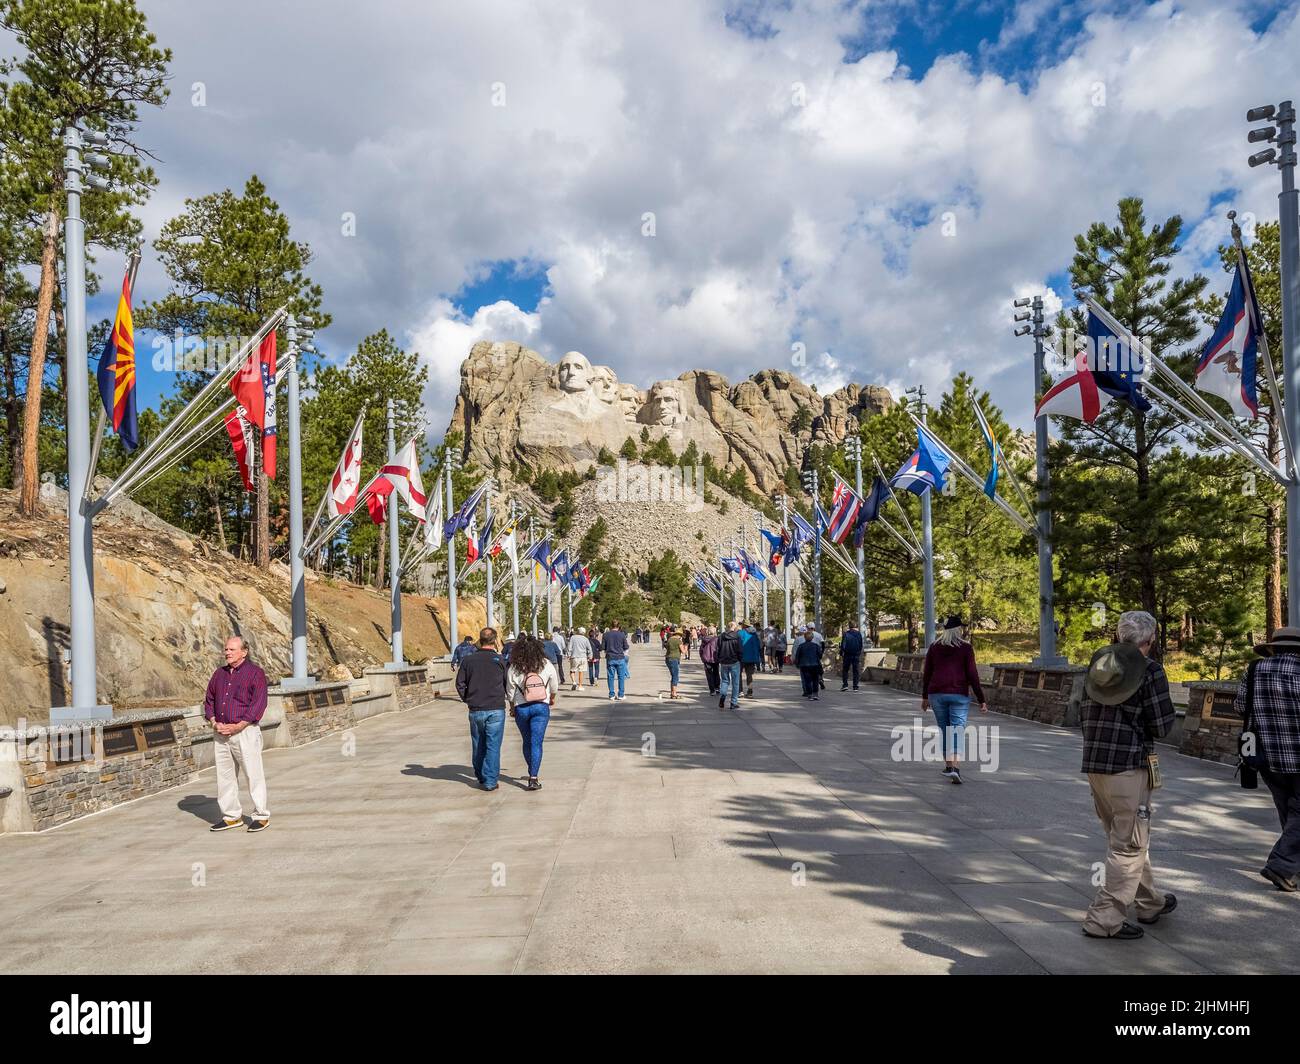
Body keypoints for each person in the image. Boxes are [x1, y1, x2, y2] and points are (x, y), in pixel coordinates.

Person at [1079, 610, 1177, 940]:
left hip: (1095, 764)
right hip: (1129, 767)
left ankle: (1149, 902)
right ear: (1148, 642)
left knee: (1126, 837)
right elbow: (1163, 725)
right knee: (1129, 845)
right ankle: (1103, 920)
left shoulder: (1098, 664)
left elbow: (1081, 712)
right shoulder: (1149, 670)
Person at [1236, 626, 1300, 892]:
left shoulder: (1254, 671)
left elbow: (1241, 707)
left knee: (1289, 811)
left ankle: (1291, 870)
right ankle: (1281, 866)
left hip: (1267, 757)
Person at [204, 635, 270, 832]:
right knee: (224, 777)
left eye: (232, 650)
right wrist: (215, 722)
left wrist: (238, 726)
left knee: (253, 774)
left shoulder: (255, 673)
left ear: (244, 652)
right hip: (221, 734)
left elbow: (259, 703)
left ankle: (261, 815)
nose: (227, 653)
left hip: (245, 732)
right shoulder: (219, 674)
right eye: (226, 649)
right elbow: (209, 700)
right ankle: (232, 816)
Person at [921, 615, 988, 784]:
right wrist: (981, 699)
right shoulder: (965, 648)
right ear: (958, 630)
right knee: (957, 730)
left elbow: (927, 673)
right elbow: (973, 675)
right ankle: (955, 768)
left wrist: (924, 697)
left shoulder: (934, 647)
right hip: (959, 694)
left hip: (937, 694)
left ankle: (949, 767)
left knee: (945, 730)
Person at [455, 627, 509, 792]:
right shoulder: (500, 660)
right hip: (496, 708)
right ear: (494, 640)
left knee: (478, 743)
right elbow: (507, 683)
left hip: (476, 708)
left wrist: (468, 699)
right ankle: (490, 780)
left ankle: (480, 774)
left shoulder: (468, 660)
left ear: (480, 639)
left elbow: (460, 684)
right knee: (493, 745)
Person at [506, 633, 559, 791]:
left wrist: (512, 706)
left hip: (521, 707)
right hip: (541, 707)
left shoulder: (514, 667)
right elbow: (554, 685)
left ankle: (531, 769)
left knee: (527, 741)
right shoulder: (546, 663)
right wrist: (552, 698)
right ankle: (533, 777)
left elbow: (510, 691)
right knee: (537, 742)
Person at [716, 621, 743, 710]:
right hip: (734, 661)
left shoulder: (721, 636)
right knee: (735, 683)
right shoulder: (737, 636)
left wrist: (719, 659)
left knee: (725, 681)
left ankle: (723, 697)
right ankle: (733, 703)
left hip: (724, 661)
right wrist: (740, 659)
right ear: (734, 627)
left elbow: (718, 648)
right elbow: (740, 649)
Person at [603, 621, 630, 700]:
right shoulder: (622, 634)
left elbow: (602, 647)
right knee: (621, 677)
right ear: (618, 626)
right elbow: (626, 646)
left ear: (611, 626)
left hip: (610, 657)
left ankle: (611, 694)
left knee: (610, 677)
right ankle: (621, 695)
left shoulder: (606, 635)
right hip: (620, 657)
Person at [794, 628, 823, 700]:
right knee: (815, 680)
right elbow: (820, 655)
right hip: (815, 665)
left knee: (807, 680)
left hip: (804, 665)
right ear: (812, 638)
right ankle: (815, 693)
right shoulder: (816, 646)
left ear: (804, 637)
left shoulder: (801, 646)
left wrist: (797, 664)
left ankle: (809, 694)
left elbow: (797, 656)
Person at [840, 621, 864, 691]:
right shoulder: (858, 634)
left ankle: (845, 685)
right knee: (855, 670)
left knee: (845, 670)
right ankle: (855, 686)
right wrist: (858, 652)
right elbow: (860, 644)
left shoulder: (846, 634)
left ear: (849, 626)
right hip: (856, 654)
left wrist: (842, 653)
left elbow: (843, 645)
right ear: (855, 626)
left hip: (847, 654)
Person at [739, 622, 761, 698]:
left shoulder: (741, 633)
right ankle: (750, 691)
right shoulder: (754, 634)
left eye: (741, 624)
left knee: (739, 674)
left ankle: (740, 691)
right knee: (749, 675)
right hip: (752, 658)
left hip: (741, 657)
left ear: (744, 625)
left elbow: (737, 644)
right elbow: (759, 646)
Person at [567, 627, 592, 691]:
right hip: (583, 657)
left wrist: (569, 655)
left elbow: (569, 647)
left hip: (574, 656)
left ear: (578, 631)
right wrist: (590, 656)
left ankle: (574, 682)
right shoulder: (586, 639)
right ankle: (580, 686)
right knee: (581, 671)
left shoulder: (573, 637)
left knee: (572, 670)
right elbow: (589, 648)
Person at [699, 624, 720, 696]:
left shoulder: (704, 639)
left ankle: (712, 690)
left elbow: (701, 650)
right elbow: (719, 649)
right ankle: (717, 687)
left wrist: (702, 657)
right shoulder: (717, 639)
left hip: (706, 659)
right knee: (716, 673)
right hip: (715, 658)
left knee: (709, 674)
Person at [664, 624, 683, 699]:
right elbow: (683, 651)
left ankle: (672, 692)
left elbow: (667, 647)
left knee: (673, 676)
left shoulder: (670, 639)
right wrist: (685, 646)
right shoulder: (678, 641)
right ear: (679, 635)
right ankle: (674, 693)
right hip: (674, 659)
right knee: (675, 676)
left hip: (668, 658)